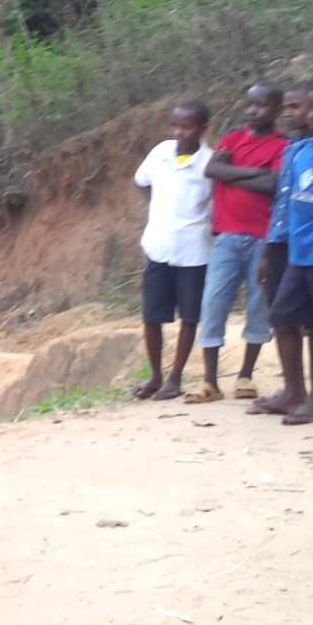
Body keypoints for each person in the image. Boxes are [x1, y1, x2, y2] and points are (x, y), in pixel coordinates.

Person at [186, 84, 288, 404]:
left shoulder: (284, 146)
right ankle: (210, 381)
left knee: (258, 307)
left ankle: (246, 375)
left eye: (262, 105)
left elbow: (273, 184)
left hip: (263, 239)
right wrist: (251, 173)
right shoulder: (232, 138)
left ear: (277, 110)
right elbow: (212, 169)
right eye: (250, 104)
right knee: (214, 304)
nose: (253, 110)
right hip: (227, 237)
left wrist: (231, 172)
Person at [130, 100, 214, 401]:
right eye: (175, 126)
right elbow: (142, 182)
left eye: (186, 127)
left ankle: (176, 377)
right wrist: (159, 209)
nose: (179, 132)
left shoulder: (209, 163)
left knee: (189, 317)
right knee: (152, 315)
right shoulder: (161, 153)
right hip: (159, 245)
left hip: (194, 250)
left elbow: (215, 203)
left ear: (202, 130)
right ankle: (155, 375)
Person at [250, 82, 313, 415]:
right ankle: (293, 391)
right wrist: (268, 247)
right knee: (282, 315)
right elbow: (283, 203)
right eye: (289, 107)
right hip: (289, 245)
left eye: (299, 107)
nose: (292, 114)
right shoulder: (296, 150)